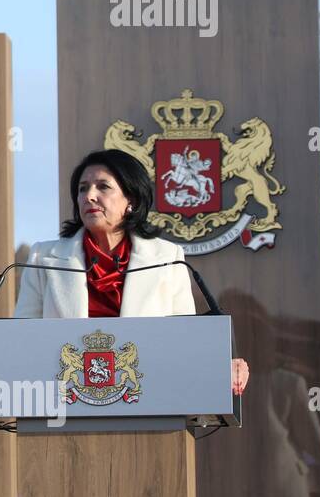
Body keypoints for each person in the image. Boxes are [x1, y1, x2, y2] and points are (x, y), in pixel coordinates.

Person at [14, 149, 249, 394]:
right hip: (64, 401)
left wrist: (219, 367)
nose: (89, 196)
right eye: (83, 188)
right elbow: (23, 339)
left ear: (131, 201)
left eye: (103, 187)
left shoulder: (168, 258)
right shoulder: (43, 257)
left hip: (149, 399)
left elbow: (183, 344)